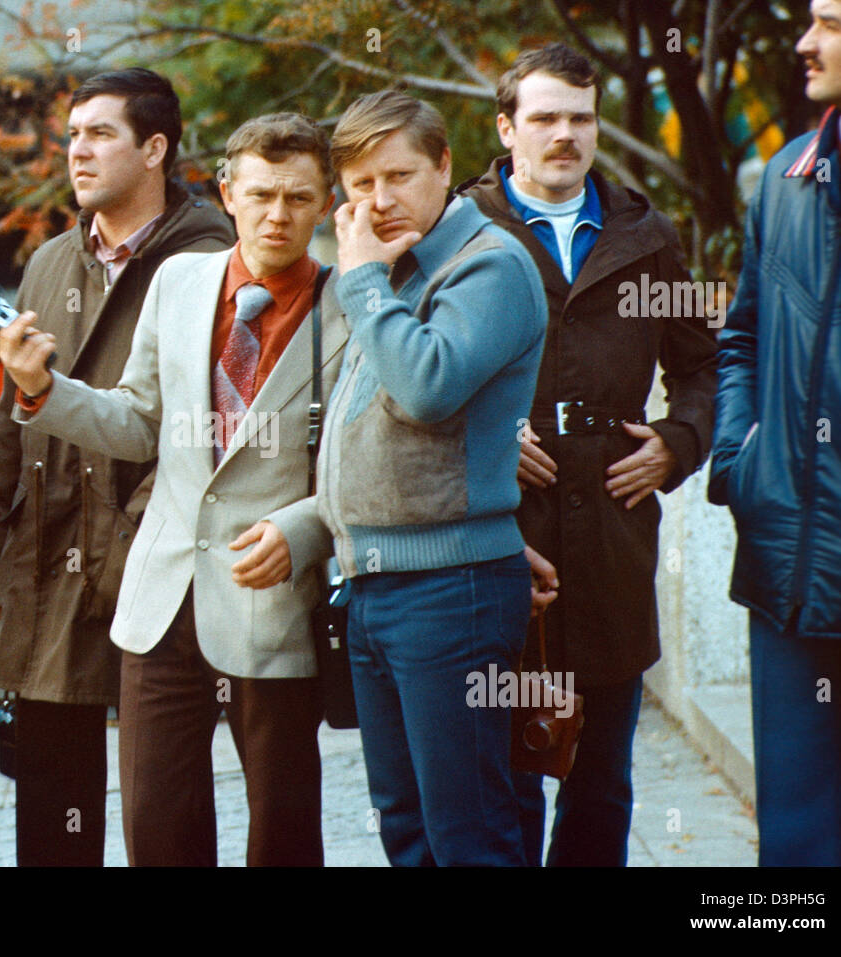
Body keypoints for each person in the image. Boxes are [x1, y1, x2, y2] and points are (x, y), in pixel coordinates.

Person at [0, 112, 344, 866]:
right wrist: (42, 390)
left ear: (325, 202)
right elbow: (136, 421)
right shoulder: (180, 281)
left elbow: (362, 467)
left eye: (297, 197)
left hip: (274, 596)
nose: (277, 214)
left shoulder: (351, 308)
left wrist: (307, 529)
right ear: (227, 192)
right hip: (161, 599)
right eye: (259, 195)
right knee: (156, 825)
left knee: (282, 828)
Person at [457, 43, 719, 866]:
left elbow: (707, 364)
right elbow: (406, 371)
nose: (564, 135)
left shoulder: (646, 235)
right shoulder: (459, 232)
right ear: (507, 128)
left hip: (612, 531)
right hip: (503, 533)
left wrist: (678, 444)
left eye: (580, 117)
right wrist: (487, 435)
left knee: (601, 777)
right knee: (507, 770)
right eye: (544, 118)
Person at [0, 68, 232, 867]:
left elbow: (215, 422)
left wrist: (133, 533)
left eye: (99, 134)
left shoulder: (217, 255)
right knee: (51, 807)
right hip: (47, 551)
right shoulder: (51, 259)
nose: (77, 151)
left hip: (162, 553)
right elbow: (15, 410)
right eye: (72, 134)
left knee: (165, 797)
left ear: (156, 147)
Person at [316, 90, 549, 866]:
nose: (379, 201)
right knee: (407, 828)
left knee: (469, 833)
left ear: (444, 165)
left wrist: (363, 284)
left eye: (398, 175)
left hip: (451, 591)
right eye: (359, 184)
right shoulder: (388, 267)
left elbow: (426, 387)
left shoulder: (488, 265)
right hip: (374, 586)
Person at [707, 0, 841, 866]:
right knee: (796, 859)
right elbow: (741, 338)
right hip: (788, 568)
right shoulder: (786, 177)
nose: (805, 42)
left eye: (830, 23)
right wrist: (742, 462)